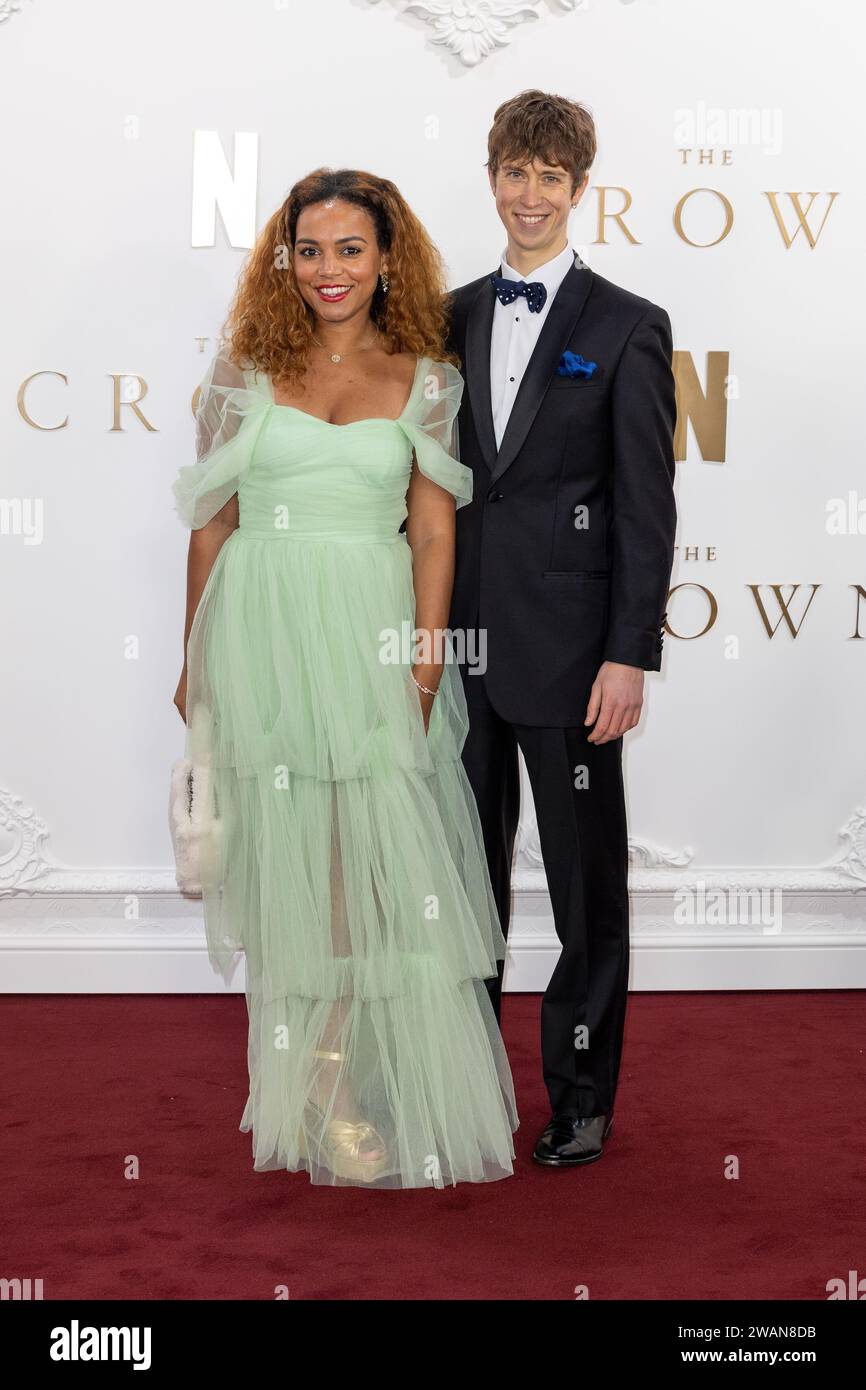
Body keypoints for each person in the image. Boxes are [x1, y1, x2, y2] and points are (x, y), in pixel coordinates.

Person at [172, 168, 517, 1188]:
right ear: (286, 260)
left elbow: (432, 529)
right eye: (309, 249)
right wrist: (192, 660)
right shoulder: (245, 368)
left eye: (350, 249)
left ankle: (350, 1074)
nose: (329, 270)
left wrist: (422, 661)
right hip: (263, 632)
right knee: (287, 866)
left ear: (385, 260)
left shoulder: (424, 375)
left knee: (364, 874)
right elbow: (210, 524)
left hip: (368, 638)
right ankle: (316, 1086)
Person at [446, 90, 677, 1167]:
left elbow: (644, 504)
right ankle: (460, 1080)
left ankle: (580, 1095)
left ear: (579, 191)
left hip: (577, 658)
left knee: (585, 892)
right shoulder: (445, 318)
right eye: (513, 171)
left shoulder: (625, 324)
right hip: (460, 655)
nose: (528, 194)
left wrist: (628, 651)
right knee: (459, 882)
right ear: (490, 175)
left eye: (551, 177)